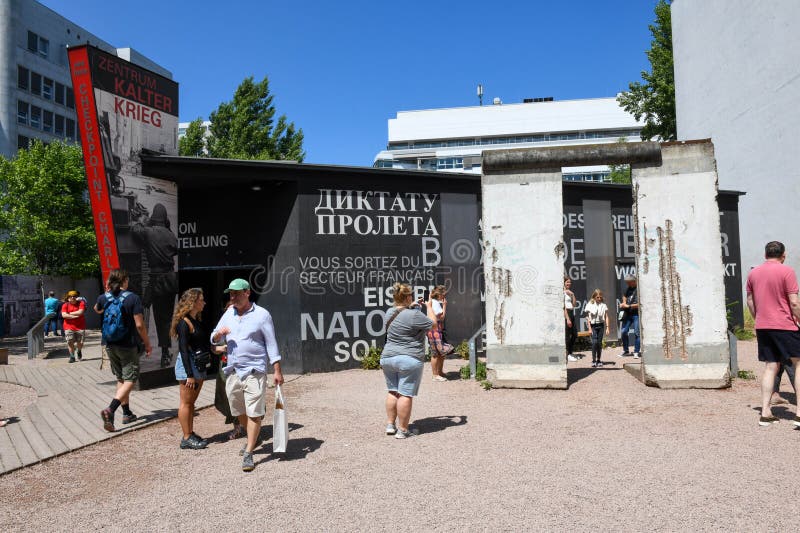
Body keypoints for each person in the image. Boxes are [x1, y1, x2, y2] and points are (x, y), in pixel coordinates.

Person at [210, 278, 284, 472]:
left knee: (254, 411)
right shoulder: (228, 314)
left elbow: (271, 343)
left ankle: (249, 452)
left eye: (236, 293)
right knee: (237, 410)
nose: (232, 297)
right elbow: (214, 335)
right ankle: (255, 436)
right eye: (230, 294)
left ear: (247, 293)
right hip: (233, 370)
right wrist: (217, 336)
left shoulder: (262, 315)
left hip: (255, 371)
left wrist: (277, 369)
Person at [746, 241, 800, 427]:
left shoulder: (753, 272)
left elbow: (750, 301)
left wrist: (757, 319)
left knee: (771, 367)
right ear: (783, 255)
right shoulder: (787, 271)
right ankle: (799, 413)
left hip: (763, 325)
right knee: (798, 364)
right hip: (785, 325)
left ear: (765, 254)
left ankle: (765, 412)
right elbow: (794, 303)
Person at [98, 269, 152, 432]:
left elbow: (97, 309)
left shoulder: (103, 297)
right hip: (128, 345)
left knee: (121, 378)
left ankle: (127, 413)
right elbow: (140, 325)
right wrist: (147, 343)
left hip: (110, 343)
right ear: (125, 281)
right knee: (131, 379)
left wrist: (107, 292)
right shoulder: (132, 298)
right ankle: (111, 409)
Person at [381, 282, 434, 439]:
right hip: (409, 358)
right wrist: (429, 306)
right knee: (405, 394)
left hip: (388, 357)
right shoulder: (415, 315)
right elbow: (433, 324)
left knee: (393, 391)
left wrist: (410, 305)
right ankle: (403, 430)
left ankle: (390, 425)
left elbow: (402, 314)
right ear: (408, 296)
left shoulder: (389, 312)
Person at [132, 203, 178, 368]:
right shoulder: (170, 235)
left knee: (145, 309)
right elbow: (175, 249)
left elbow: (136, 231)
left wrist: (140, 219)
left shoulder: (149, 232)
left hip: (156, 279)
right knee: (165, 318)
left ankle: (141, 345)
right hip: (171, 279)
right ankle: (165, 353)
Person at [170, 288, 212, 450]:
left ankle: (190, 433)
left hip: (198, 366)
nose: (204, 302)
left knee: (191, 403)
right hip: (189, 367)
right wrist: (189, 375)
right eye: (201, 300)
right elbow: (183, 349)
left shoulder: (196, 320)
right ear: (193, 302)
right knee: (186, 403)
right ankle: (186, 437)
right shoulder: (184, 322)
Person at [213, 301, 245, 440]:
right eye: (229, 309)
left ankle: (252, 426)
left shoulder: (245, 325)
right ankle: (237, 427)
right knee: (229, 397)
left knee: (245, 396)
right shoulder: (222, 327)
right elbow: (213, 348)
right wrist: (223, 348)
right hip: (225, 366)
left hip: (243, 365)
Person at [426, 285, 453, 381]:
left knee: (441, 353)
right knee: (436, 353)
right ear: (440, 294)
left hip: (435, 330)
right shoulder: (436, 303)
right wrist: (445, 305)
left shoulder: (433, 302)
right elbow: (441, 317)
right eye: (443, 294)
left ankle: (440, 372)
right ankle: (435, 375)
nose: (444, 296)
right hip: (434, 331)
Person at [584, 289, 610, 368]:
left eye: (600, 297)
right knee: (594, 342)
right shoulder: (590, 304)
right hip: (593, 325)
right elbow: (588, 317)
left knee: (599, 343)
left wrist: (607, 327)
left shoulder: (603, 305)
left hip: (601, 325)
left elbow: (606, 317)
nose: (599, 299)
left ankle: (598, 360)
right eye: (597, 297)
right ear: (594, 297)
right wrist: (589, 328)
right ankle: (593, 360)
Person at [619, 275, 640, 358]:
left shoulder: (639, 289)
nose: (627, 284)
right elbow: (624, 296)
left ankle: (636, 351)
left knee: (637, 333)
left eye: (628, 282)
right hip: (627, 314)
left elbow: (641, 303)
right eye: (626, 282)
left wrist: (629, 306)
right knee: (624, 331)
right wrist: (623, 304)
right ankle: (626, 350)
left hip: (636, 314)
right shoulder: (627, 289)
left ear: (633, 281)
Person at [62, 290, 86, 363]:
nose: (72, 298)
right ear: (68, 298)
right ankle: (72, 356)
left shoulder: (81, 303)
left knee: (80, 342)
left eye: (74, 296)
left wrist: (70, 313)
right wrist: (74, 316)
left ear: (77, 297)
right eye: (71, 296)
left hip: (80, 326)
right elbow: (64, 315)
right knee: (70, 342)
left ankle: (79, 351)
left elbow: (80, 312)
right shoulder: (65, 305)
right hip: (68, 326)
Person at [564, 277, 579, 362]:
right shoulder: (562, 292)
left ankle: (570, 352)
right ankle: (567, 354)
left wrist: (572, 294)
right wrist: (567, 319)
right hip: (566, 314)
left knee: (574, 334)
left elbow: (574, 304)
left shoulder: (569, 292)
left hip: (571, 312)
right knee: (567, 336)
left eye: (570, 282)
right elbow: (564, 307)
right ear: (563, 283)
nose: (569, 284)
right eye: (567, 282)